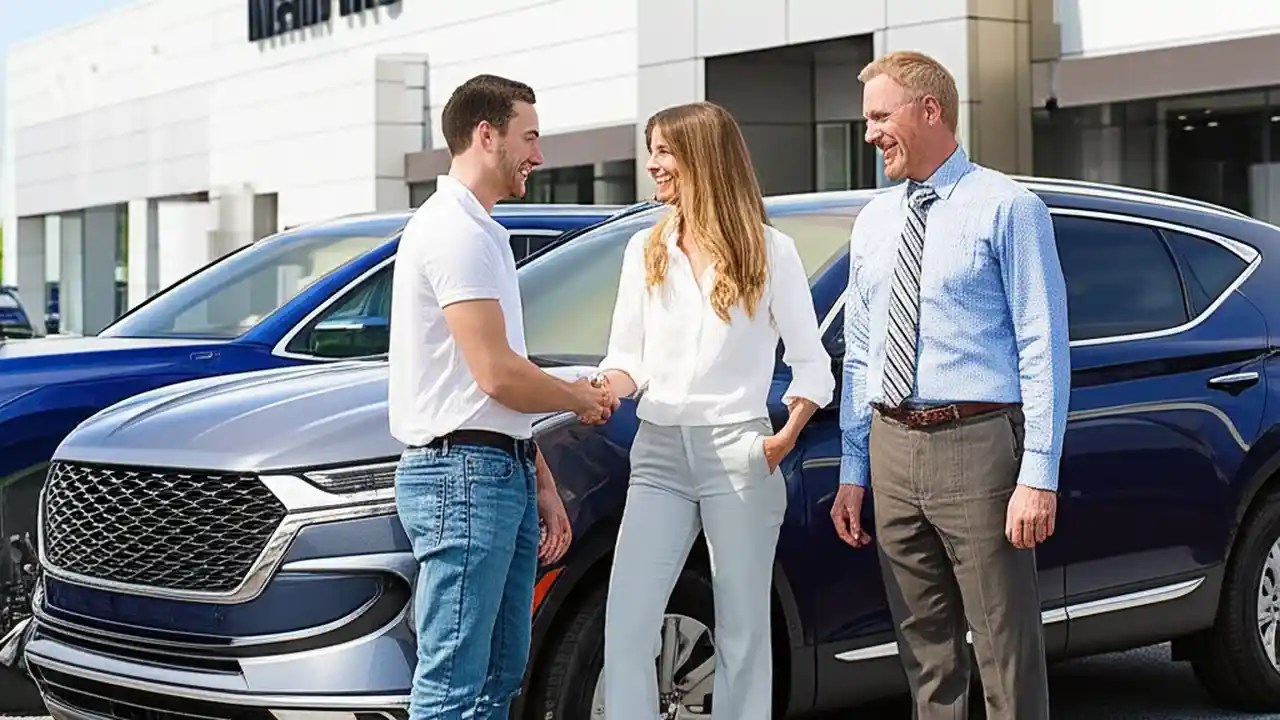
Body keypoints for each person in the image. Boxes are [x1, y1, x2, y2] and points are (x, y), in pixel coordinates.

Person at [830, 51, 1070, 720]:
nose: (871, 133)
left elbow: (1042, 345)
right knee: (925, 654)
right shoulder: (875, 220)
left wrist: (1039, 474)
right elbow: (862, 351)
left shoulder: (1009, 208)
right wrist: (855, 466)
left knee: (1004, 651)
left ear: (928, 110)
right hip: (890, 446)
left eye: (881, 116)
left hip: (978, 446)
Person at [593, 101, 836, 720]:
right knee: (625, 631)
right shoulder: (642, 252)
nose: (653, 165)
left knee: (744, 632)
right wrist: (597, 388)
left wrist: (783, 438)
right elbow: (628, 359)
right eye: (652, 151)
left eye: (665, 152)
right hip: (659, 455)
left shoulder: (770, 252)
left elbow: (812, 364)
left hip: (740, 452)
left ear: (704, 157)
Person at [387, 73, 616, 719]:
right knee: (455, 681)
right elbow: (495, 373)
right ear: (486, 136)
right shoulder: (455, 231)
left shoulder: (479, 230)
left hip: (493, 468)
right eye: (530, 137)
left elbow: (487, 388)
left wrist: (538, 478)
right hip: (462, 478)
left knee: (498, 673)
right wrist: (579, 399)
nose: (538, 156)